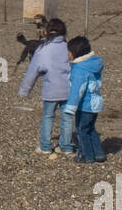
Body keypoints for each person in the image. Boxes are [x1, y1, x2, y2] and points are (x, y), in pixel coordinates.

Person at [17, 17, 74, 156]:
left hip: (51, 90)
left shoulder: (43, 49)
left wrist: (24, 91)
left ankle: (45, 146)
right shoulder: (69, 47)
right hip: (69, 89)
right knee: (67, 117)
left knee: (48, 116)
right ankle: (66, 146)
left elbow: (33, 71)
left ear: (47, 32)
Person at [66, 35, 104, 163]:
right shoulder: (92, 64)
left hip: (85, 105)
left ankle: (86, 156)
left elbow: (77, 90)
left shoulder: (79, 69)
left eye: (69, 52)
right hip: (96, 103)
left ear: (74, 53)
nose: (67, 54)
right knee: (91, 129)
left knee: (82, 131)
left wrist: (70, 107)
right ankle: (99, 153)